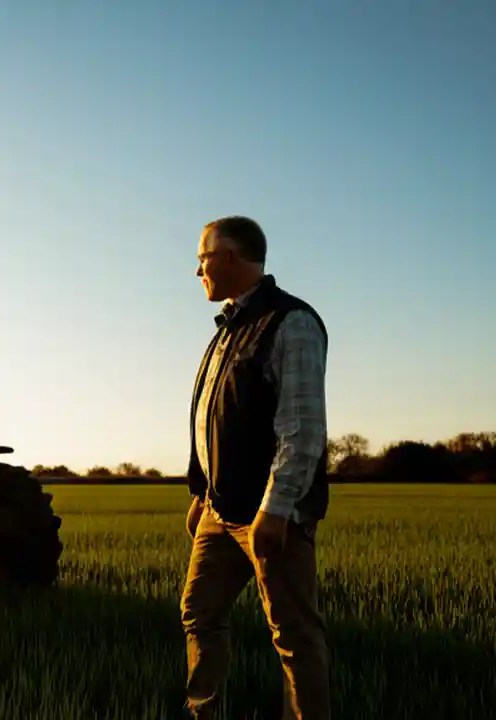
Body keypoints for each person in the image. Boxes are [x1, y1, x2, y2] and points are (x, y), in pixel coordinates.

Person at [180, 215, 331, 719]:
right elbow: (211, 414)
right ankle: (206, 713)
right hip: (219, 512)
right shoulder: (228, 328)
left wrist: (278, 508)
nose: (196, 268)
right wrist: (200, 489)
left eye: (202, 257)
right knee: (199, 613)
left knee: (293, 634)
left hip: (269, 514)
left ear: (228, 256)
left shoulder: (291, 322)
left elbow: (302, 428)